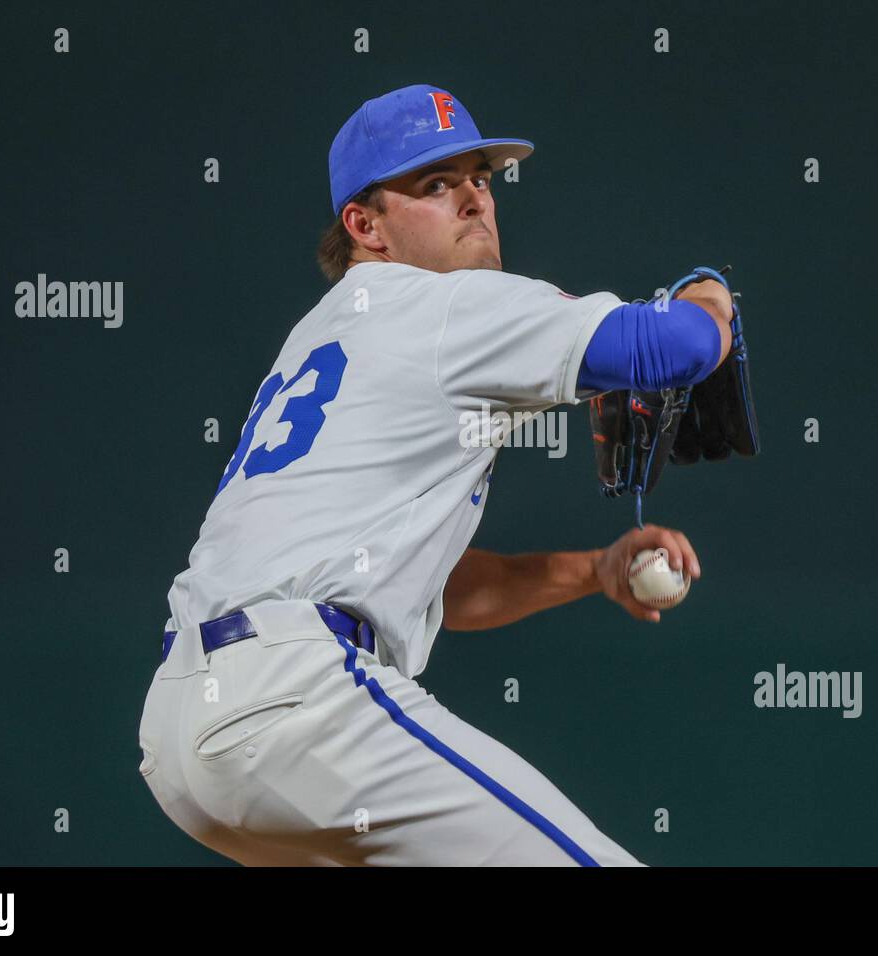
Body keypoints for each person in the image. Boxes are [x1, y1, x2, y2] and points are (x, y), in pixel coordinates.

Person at [136, 84, 738, 866]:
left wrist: (592, 570)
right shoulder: (443, 306)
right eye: (434, 184)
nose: (473, 201)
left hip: (188, 730)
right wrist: (710, 290)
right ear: (364, 225)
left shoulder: (320, 338)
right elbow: (676, 347)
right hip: (297, 700)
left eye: (481, 178)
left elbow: (438, 591)